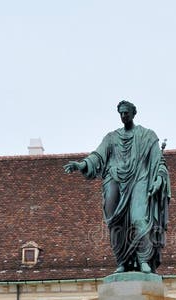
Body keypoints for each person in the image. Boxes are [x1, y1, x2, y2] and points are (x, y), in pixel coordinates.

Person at [64, 100, 170, 274]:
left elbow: (159, 161)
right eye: (120, 113)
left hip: (139, 179)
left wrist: (159, 177)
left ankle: (144, 259)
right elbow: (97, 156)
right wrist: (81, 164)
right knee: (114, 222)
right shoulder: (111, 138)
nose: (123, 116)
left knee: (138, 219)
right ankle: (122, 260)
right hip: (114, 179)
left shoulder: (147, 136)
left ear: (133, 113)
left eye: (126, 113)